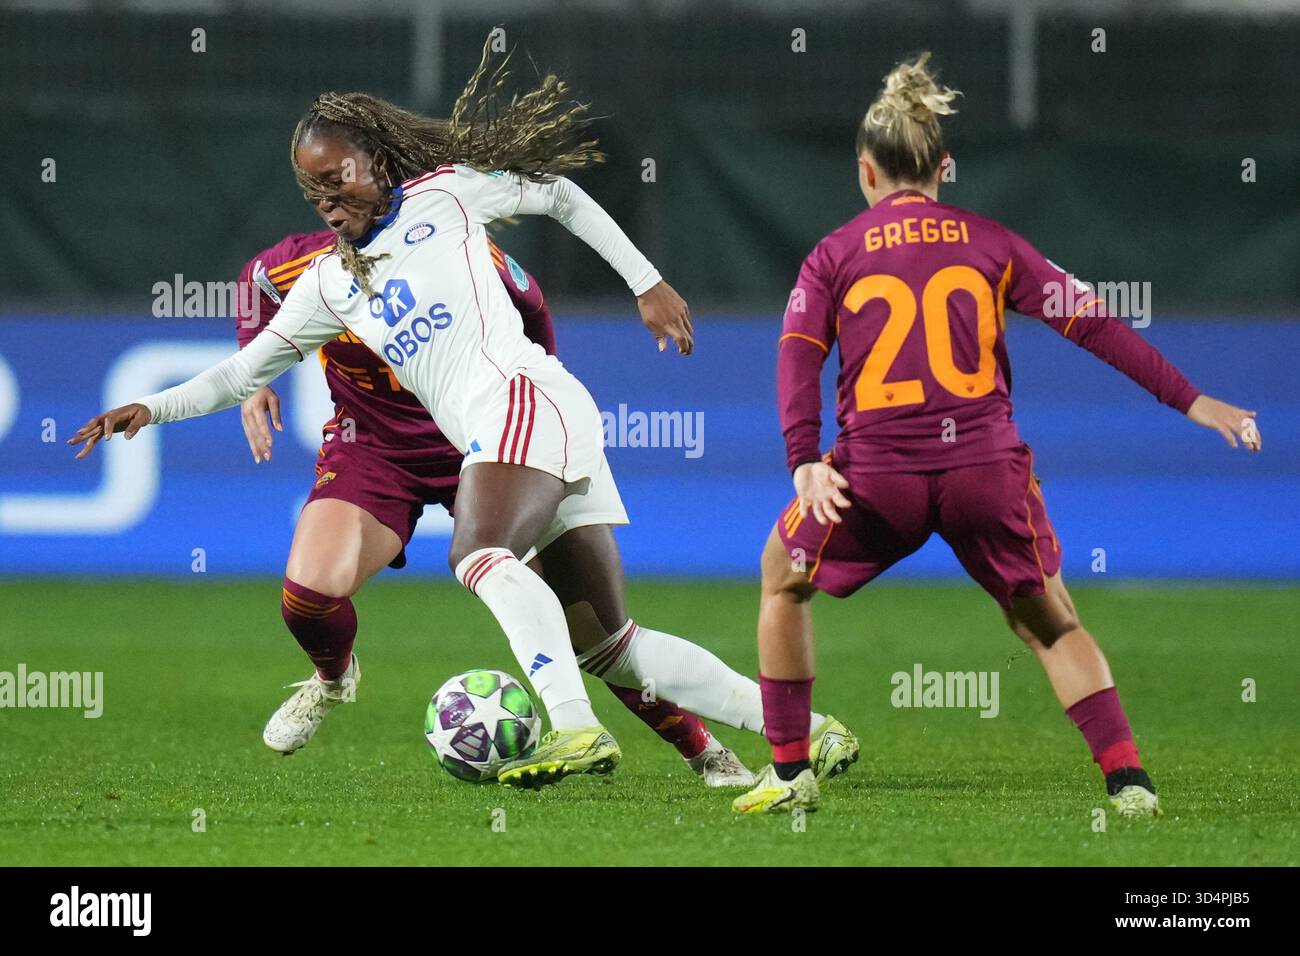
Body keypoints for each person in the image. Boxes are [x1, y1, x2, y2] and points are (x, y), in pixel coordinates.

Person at [72, 42, 859, 790]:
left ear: (376, 162)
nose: (326, 199)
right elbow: (241, 371)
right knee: (611, 645)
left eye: (336, 178)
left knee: (477, 555)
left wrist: (646, 282)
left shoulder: (444, 195)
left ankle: (576, 728)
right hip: (525, 424)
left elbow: (556, 193)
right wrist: (152, 407)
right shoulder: (326, 286)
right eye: (313, 190)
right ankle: (806, 730)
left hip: (525, 404)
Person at [733, 53, 1261, 815]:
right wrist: (1192, 400)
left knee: (783, 576)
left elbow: (797, 359)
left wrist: (803, 462)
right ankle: (1128, 781)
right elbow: (1095, 324)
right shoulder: (991, 243)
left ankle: (789, 775)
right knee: (1048, 620)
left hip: (876, 479)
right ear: (945, 167)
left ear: (865, 173)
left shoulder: (833, 256)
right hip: (986, 471)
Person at [236, 227, 841, 788]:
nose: (336, 202)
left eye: (349, 182)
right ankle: (332, 680)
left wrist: (533, 402)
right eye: (323, 188)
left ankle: (701, 748)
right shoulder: (305, 262)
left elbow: (534, 306)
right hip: (375, 447)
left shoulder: (457, 240)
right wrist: (253, 371)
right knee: (308, 596)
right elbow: (250, 285)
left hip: (485, 435)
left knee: (592, 627)